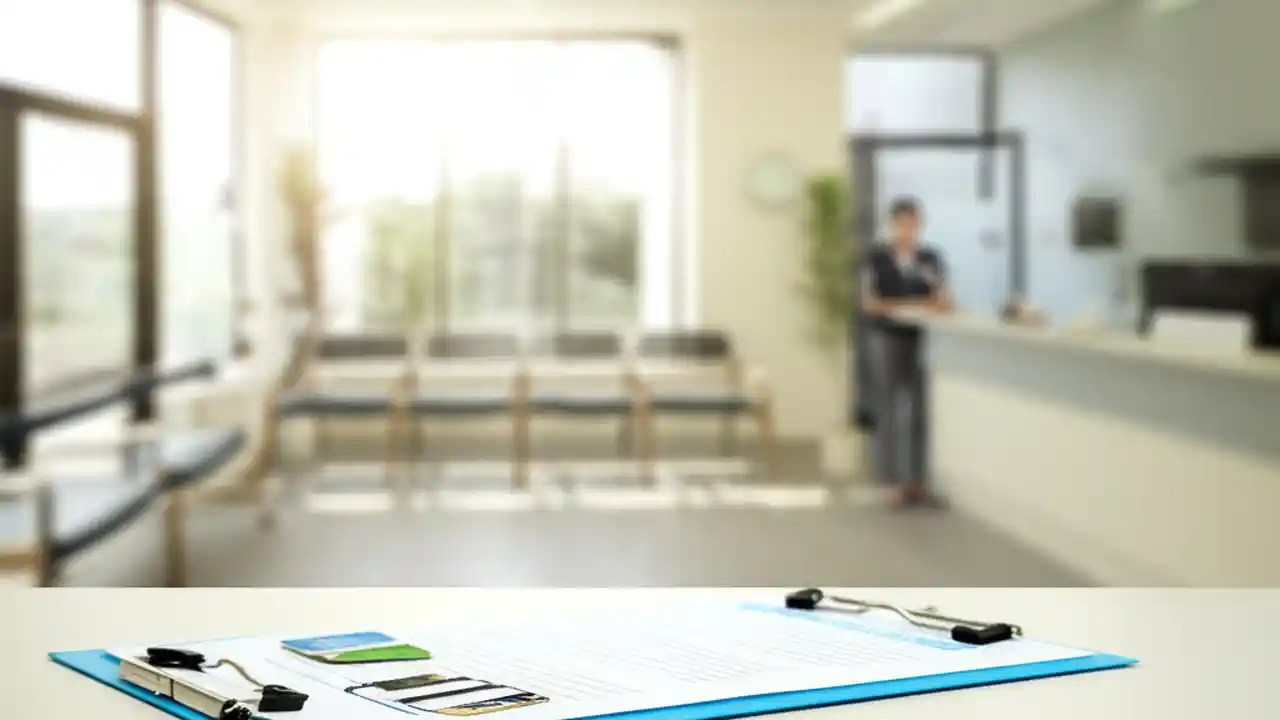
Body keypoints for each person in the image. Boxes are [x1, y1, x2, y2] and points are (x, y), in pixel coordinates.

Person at [862, 197, 953, 509]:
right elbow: (871, 304)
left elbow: (942, 301)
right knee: (889, 411)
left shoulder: (930, 258)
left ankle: (917, 481)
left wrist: (899, 305)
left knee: (919, 413)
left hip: (922, 339)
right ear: (892, 224)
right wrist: (913, 305)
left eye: (913, 224)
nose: (908, 230)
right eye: (902, 223)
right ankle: (892, 482)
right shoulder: (877, 258)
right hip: (887, 338)